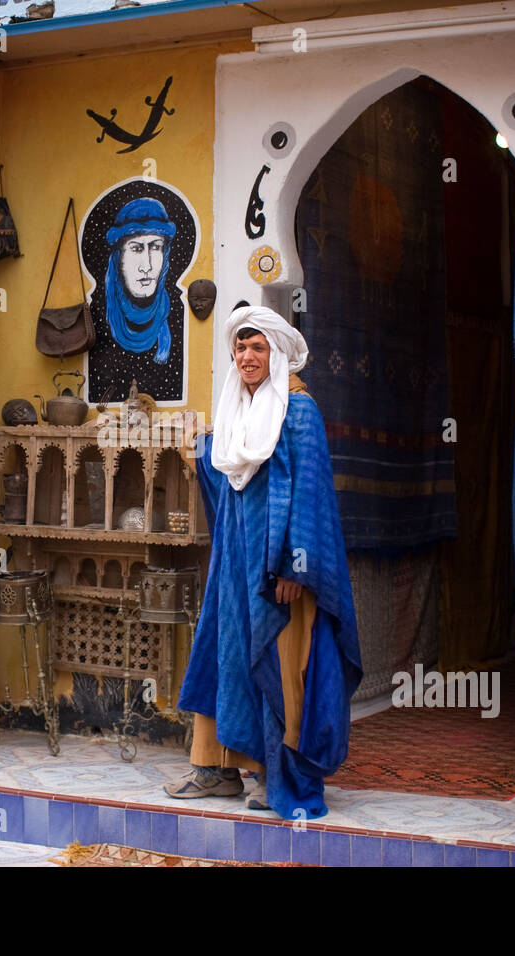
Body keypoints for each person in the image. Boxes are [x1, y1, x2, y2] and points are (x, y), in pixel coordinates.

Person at [166, 305, 362, 820]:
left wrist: (296, 568)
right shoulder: (236, 411)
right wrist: (203, 449)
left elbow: (312, 494)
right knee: (225, 654)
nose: (247, 356)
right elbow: (231, 477)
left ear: (276, 354)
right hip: (234, 562)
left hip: (279, 571)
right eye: (241, 347)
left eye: (258, 347)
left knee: (275, 663)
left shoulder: (297, 412)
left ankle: (271, 772)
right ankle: (216, 767)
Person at [104, 197, 176, 363]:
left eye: (156, 247)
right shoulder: (101, 310)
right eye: (136, 248)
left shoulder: (176, 310)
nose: (147, 266)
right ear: (118, 258)